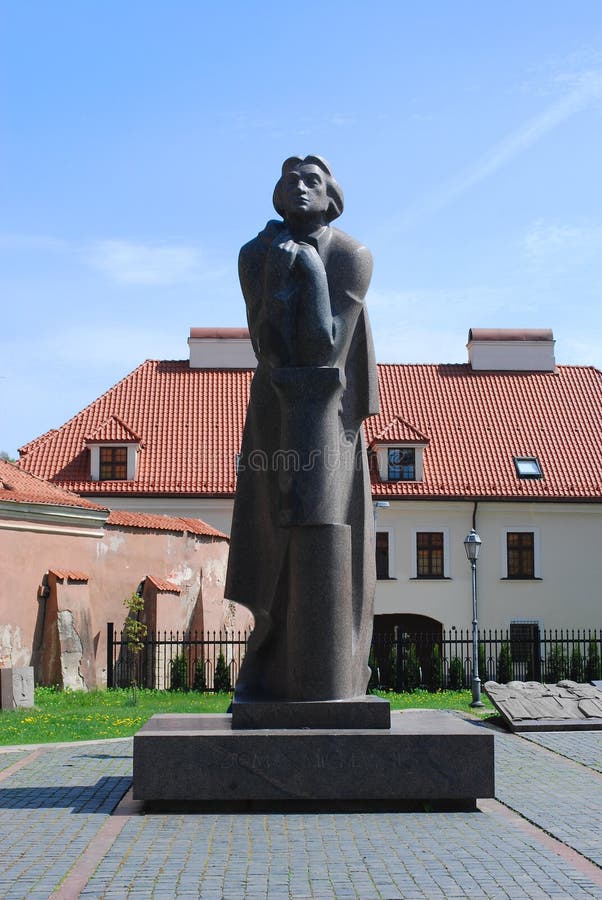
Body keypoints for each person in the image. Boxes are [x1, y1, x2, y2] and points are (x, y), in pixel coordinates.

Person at [225, 155, 379, 701]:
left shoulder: (351, 257)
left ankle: (330, 672)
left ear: (332, 197)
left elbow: (325, 349)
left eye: (312, 181)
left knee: (322, 526)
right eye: (290, 180)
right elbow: (267, 345)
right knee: (272, 535)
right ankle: (271, 666)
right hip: (274, 412)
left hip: (331, 417)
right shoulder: (255, 254)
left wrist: (310, 271)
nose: (299, 187)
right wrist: (277, 271)